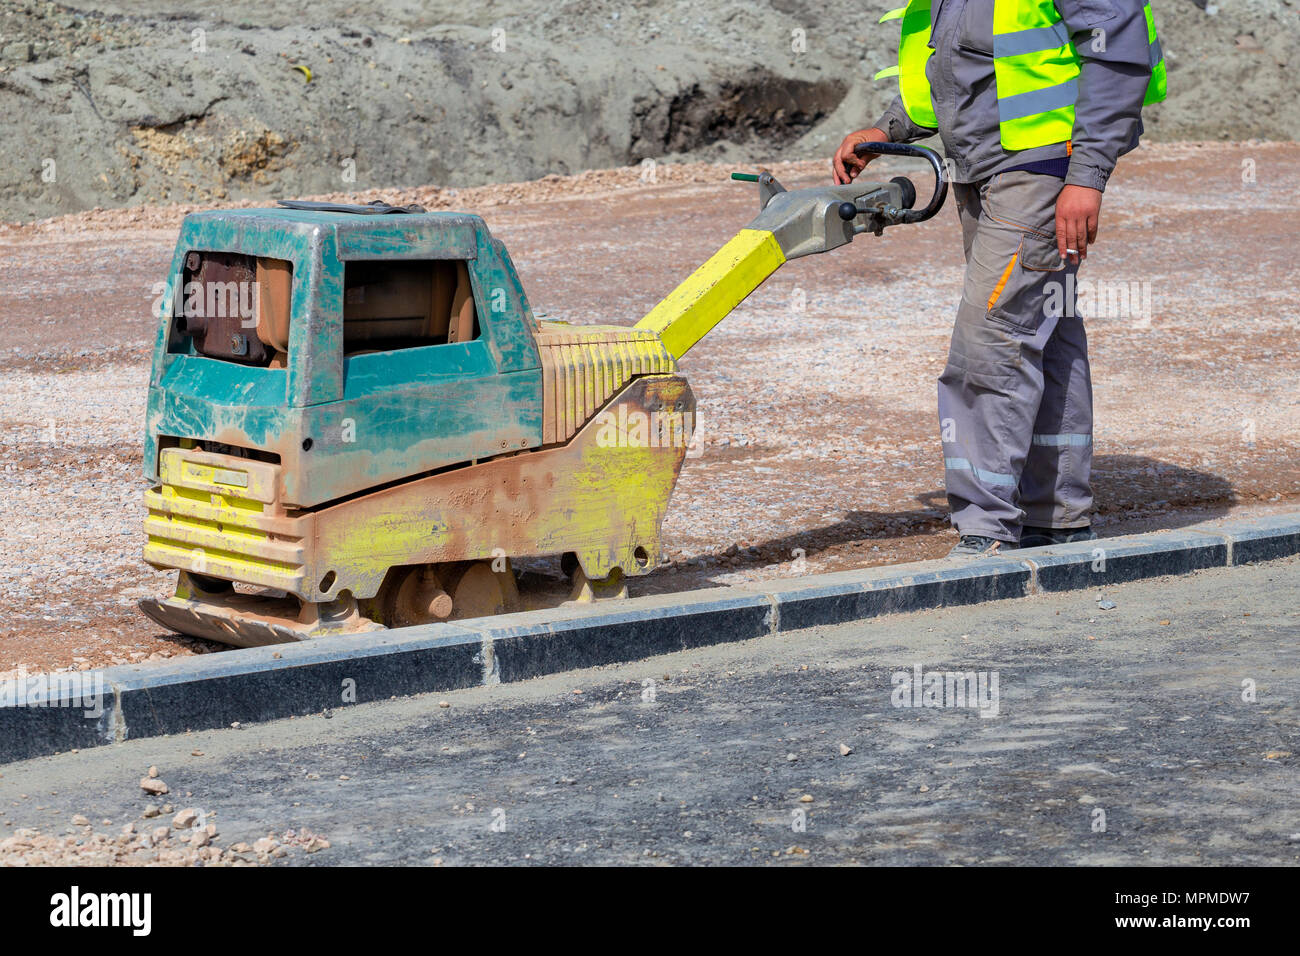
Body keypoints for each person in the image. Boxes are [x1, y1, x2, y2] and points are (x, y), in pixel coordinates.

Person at [832, 0, 1165, 555]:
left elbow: (1118, 51)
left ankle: (986, 524)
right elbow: (960, 63)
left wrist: (1088, 176)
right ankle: (1055, 514)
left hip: (1041, 170)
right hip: (984, 166)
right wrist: (890, 128)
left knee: (990, 339)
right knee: (1045, 333)